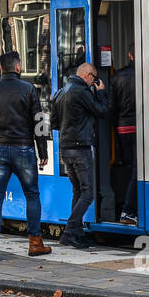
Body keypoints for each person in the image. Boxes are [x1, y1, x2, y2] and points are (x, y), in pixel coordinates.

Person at [0, 50, 50, 260]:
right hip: (24, 149)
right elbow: (39, 122)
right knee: (32, 195)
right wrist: (42, 151)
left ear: (0, 69)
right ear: (18, 67)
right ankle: (34, 243)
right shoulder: (29, 89)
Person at [54, 62, 111, 250]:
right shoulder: (81, 91)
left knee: (77, 191)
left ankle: (76, 234)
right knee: (88, 193)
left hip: (65, 149)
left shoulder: (61, 92)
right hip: (80, 148)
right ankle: (70, 231)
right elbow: (102, 111)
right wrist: (101, 92)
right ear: (88, 76)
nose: (93, 83)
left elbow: (55, 123)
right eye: (94, 79)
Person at [109, 43, 138, 225]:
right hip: (139, 128)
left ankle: (125, 205)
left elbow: (112, 107)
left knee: (129, 167)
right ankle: (129, 209)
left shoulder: (117, 76)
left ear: (129, 55)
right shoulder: (146, 74)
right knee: (138, 170)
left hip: (122, 128)